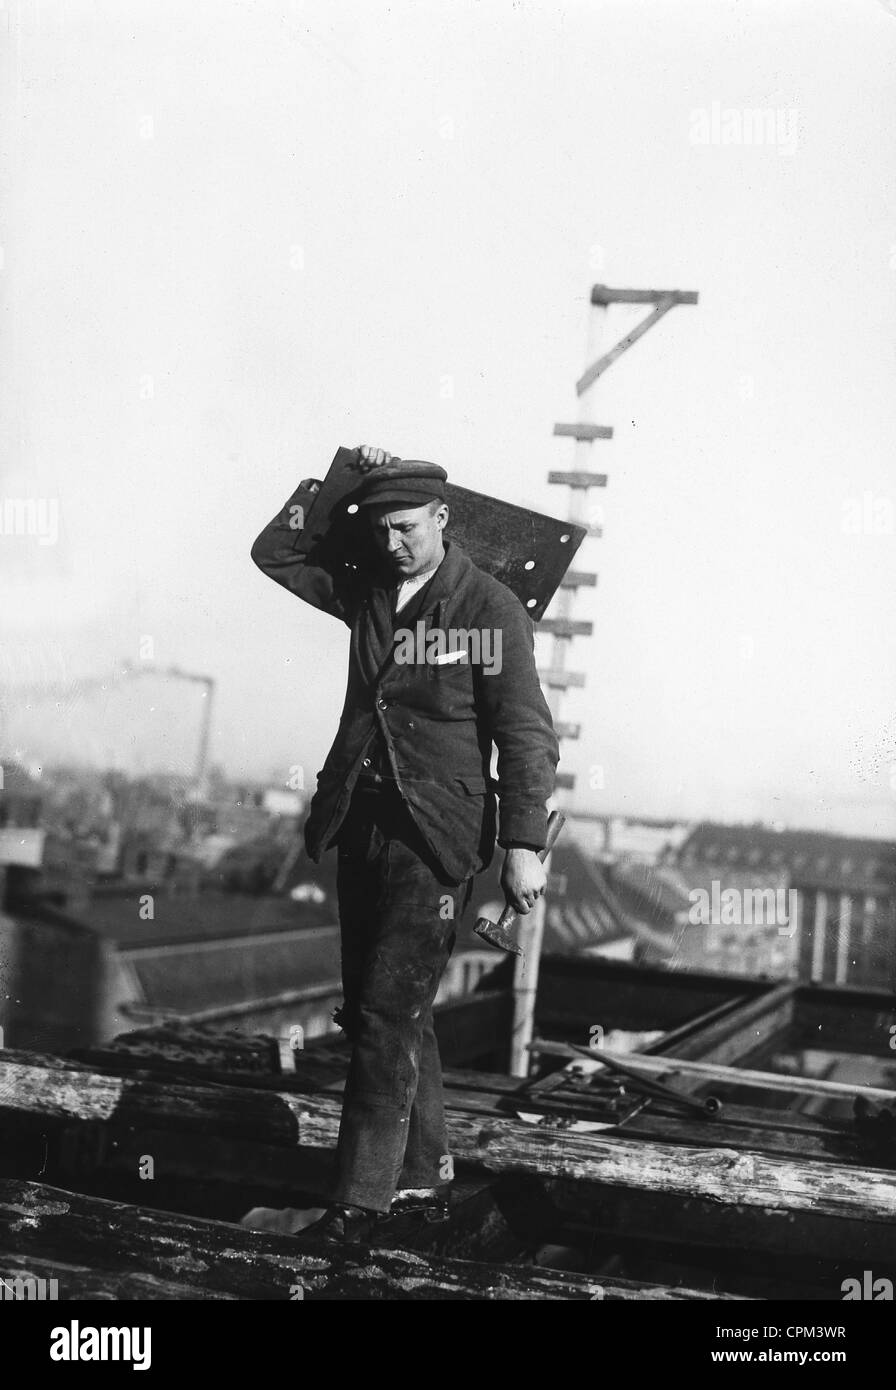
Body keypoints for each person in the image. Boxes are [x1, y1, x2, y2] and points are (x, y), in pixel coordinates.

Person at [251, 445, 559, 1243]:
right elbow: (277, 550)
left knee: (387, 1014)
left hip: (437, 835)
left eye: (408, 527)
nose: (394, 543)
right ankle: (424, 1179)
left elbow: (524, 734)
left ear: (443, 519)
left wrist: (524, 842)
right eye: (382, 528)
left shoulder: (488, 610)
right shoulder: (368, 593)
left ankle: (358, 1205)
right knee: (386, 1012)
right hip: (363, 820)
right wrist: (346, 470)